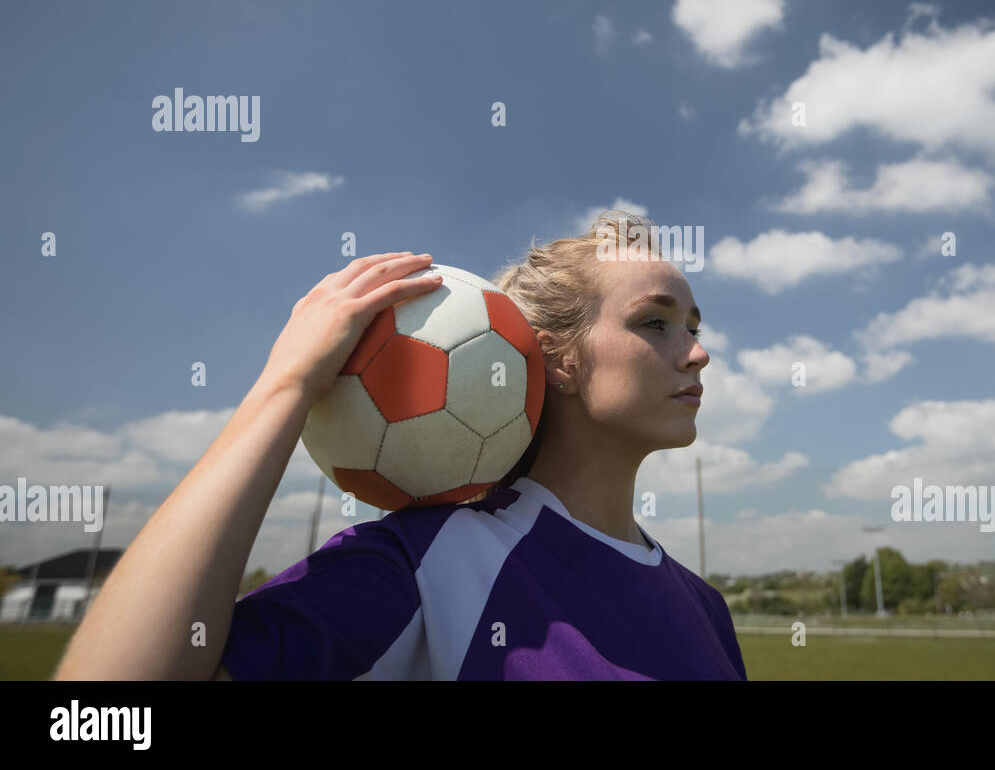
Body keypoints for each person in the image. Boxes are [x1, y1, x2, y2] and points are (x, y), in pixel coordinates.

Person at [54, 210, 746, 680]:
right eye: (654, 324)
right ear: (558, 359)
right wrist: (287, 383)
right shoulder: (435, 559)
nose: (698, 353)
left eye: (692, 323)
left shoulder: (704, 605)